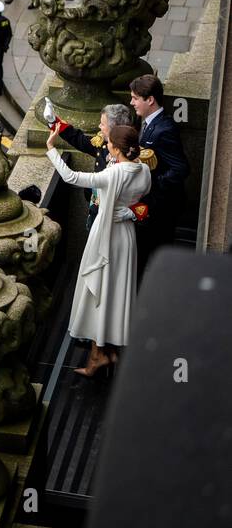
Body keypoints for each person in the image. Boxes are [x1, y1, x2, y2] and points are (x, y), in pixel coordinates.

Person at [46, 125, 151, 376]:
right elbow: (143, 194)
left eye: (109, 143)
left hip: (105, 236)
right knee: (117, 291)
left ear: (115, 148)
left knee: (99, 294)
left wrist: (51, 149)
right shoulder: (144, 170)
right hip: (126, 235)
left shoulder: (113, 173)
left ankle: (97, 356)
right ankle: (110, 350)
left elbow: (71, 177)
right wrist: (127, 211)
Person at [129, 75, 190, 273]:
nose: (132, 103)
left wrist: (151, 185)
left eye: (135, 98)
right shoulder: (146, 123)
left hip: (160, 210)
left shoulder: (164, 129)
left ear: (150, 100)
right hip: (150, 207)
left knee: (152, 258)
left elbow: (181, 169)